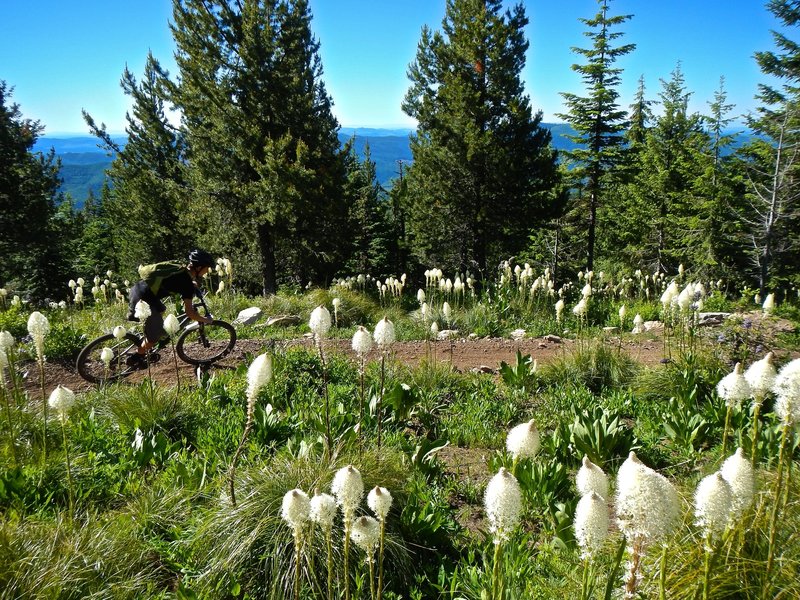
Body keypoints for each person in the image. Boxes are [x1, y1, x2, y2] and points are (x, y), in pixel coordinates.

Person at [125, 249, 215, 366]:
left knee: (161, 309)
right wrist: (205, 320)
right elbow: (189, 313)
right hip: (142, 300)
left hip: (139, 290)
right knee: (155, 337)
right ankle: (137, 356)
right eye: (206, 268)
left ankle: (148, 335)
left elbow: (177, 281)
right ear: (198, 268)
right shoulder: (187, 284)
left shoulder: (181, 269)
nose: (207, 271)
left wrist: (192, 284)